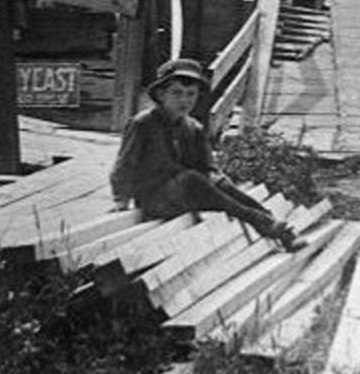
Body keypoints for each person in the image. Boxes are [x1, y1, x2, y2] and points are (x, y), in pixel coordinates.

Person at [111, 59, 302, 249]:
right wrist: (121, 200)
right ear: (161, 94)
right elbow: (125, 165)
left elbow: (208, 167)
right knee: (192, 178)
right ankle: (261, 221)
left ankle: (278, 227)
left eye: (190, 94)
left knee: (221, 184)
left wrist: (219, 180)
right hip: (155, 199)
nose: (185, 101)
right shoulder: (142, 124)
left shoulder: (193, 128)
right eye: (177, 93)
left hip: (188, 193)